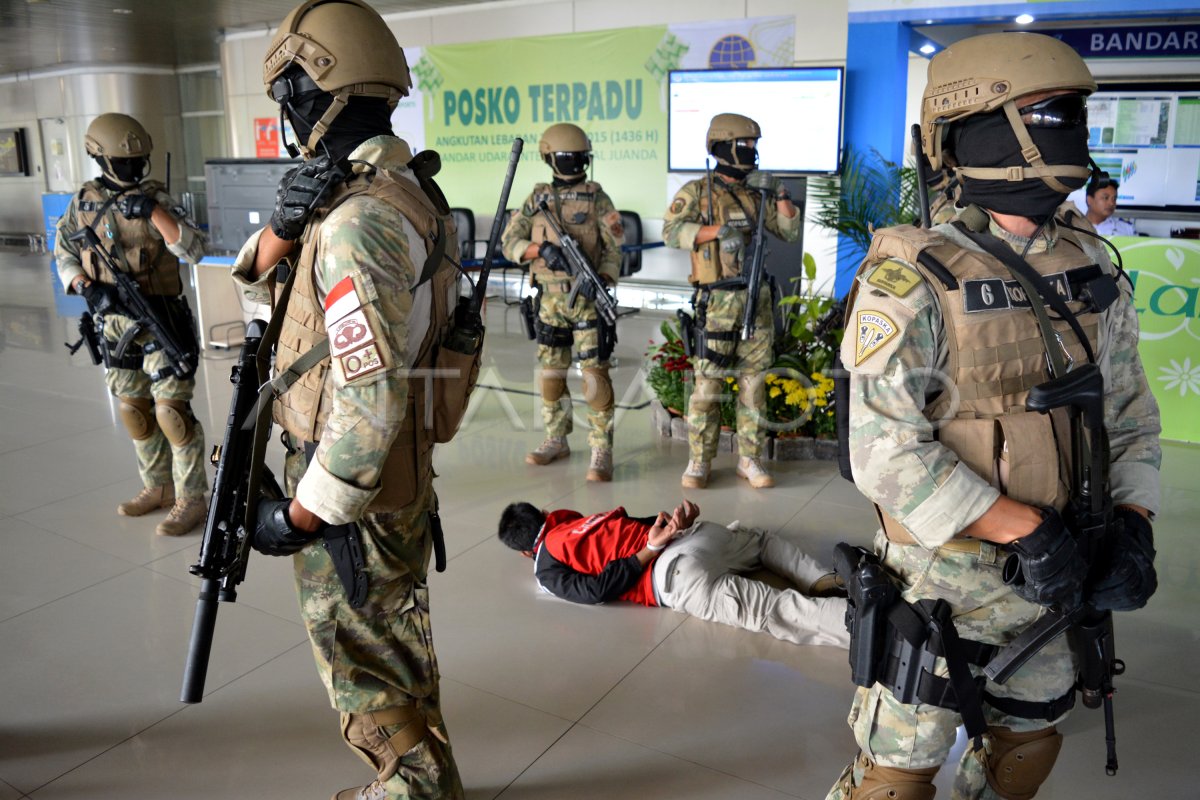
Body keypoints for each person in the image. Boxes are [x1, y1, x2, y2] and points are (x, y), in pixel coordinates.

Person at [827, 32, 1160, 800]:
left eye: (1077, 113)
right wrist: (1022, 528)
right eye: (1052, 114)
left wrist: (1134, 519)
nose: (1074, 132)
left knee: (1026, 750)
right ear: (978, 130)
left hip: (1062, 575)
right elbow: (885, 454)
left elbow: (1131, 413)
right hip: (945, 579)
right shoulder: (912, 277)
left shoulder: (1089, 266)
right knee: (894, 782)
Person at [230, 1, 467, 797]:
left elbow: (367, 399)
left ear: (310, 92)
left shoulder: (360, 219)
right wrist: (284, 225)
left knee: (360, 661)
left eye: (286, 95)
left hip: (353, 494)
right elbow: (263, 282)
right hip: (391, 479)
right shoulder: (391, 191)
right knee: (393, 646)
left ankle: (412, 790)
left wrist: (303, 514)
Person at [55, 112, 209, 537]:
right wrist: (84, 285)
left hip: (160, 317)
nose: (133, 169)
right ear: (100, 158)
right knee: (134, 411)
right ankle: (157, 487)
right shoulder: (83, 200)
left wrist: (156, 213)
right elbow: (63, 248)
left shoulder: (157, 195)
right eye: (124, 162)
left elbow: (194, 248)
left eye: (139, 160)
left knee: (171, 412)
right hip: (112, 321)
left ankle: (191, 498)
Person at [497, 499, 849, 647]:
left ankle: (863, 627)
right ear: (544, 513)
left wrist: (649, 550)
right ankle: (820, 578)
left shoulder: (544, 566)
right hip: (699, 536)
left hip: (672, 574)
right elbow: (639, 525)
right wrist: (675, 524)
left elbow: (593, 592)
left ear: (526, 551)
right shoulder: (574, 520)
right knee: (761, 541)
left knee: (775, 611)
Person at [662, 113, 800, 490]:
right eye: (746, 145)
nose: (752, 152)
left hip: (756, 300)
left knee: (753, 385)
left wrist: (782, 194)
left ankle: (749, 459)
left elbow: (788, 230)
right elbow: (670, 231)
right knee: (708, 387)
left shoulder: (757, 193)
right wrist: (715, 231)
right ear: (723, 146)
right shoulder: (697, 191)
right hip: (717, 300)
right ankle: (698, 461)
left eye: (755, 145)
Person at [501, 123, 623, 482]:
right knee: (552, 375)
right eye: (566, 156)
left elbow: (615, 248)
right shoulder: (535, 199)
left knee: (594, 376)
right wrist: (540, 249)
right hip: (550, 300)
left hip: (587, 300)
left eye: (578, 157)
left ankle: (601, 449)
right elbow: (510, 242)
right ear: (549, 156)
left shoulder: (598, 198)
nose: (574, 163)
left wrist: (605, 278)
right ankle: (556, 439)